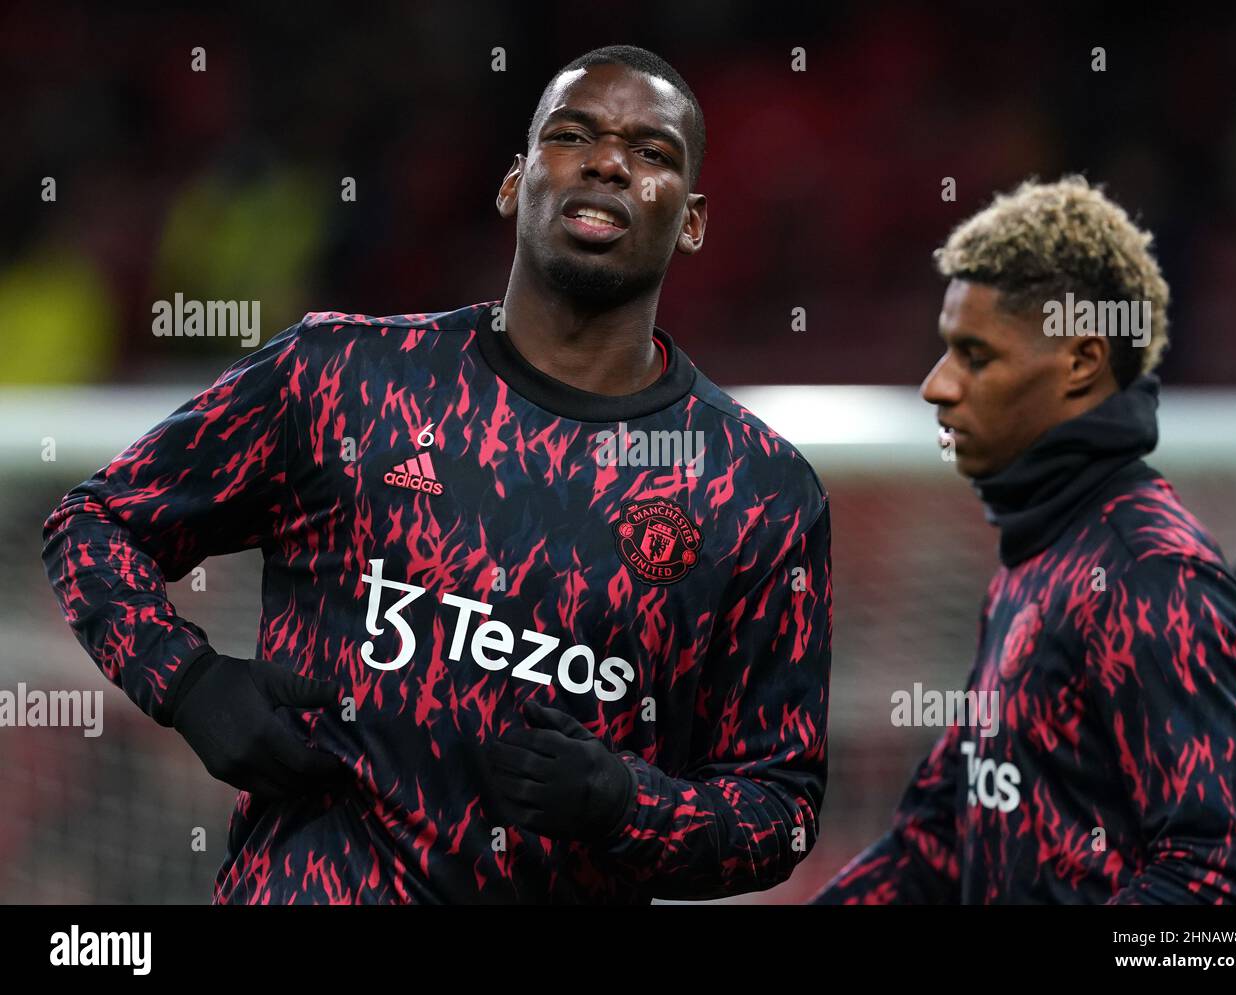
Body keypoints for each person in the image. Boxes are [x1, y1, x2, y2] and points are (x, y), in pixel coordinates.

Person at [42, 45, 831, 904]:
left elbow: (779, 808)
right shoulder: (340, 375)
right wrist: (188, 682)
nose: (608, 161)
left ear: (693, 219)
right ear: (512, 182)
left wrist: (622, 803)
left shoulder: (755, 489)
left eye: (651, 153)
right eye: (574, 135)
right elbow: (91, 524)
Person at [812, 176, 1236, 904]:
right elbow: (937, 838)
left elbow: (1221, 886)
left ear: (1081, 362)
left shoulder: (1149, 571)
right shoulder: (1044, 550)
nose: (937, 385)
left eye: (976, 355)